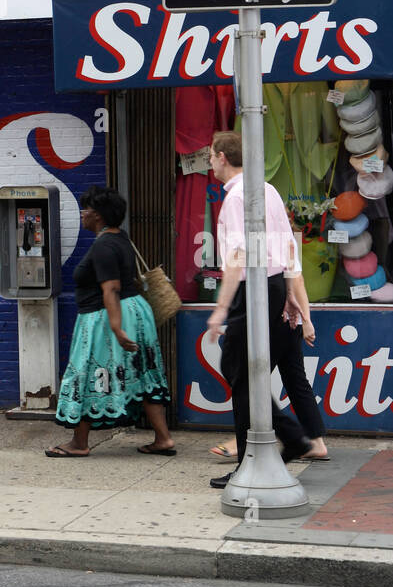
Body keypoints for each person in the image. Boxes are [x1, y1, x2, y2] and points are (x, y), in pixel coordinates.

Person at [206, 131, 319, 489]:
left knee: (238, 370)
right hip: (269, 286)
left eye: (211, 155)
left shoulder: (238, 198)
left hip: (250, 287)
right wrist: (288, 292)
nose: (209, 161)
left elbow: (238, 258)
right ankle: (268, 451)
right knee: (248, 372)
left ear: (223, 157)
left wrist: (221, 308)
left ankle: (288, 441)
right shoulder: (267, 189)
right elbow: (288, 244)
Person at [45, 186, 175, 459]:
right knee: (142, 374)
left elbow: (111, 289)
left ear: (98, 215)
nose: (82, 215)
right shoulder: (120, 238)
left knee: (87, 373)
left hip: (105, 318)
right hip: (136, 312)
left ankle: (79, 443)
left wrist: (116, 328)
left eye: (86, 210)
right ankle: (163, 438)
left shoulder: (103, 245)